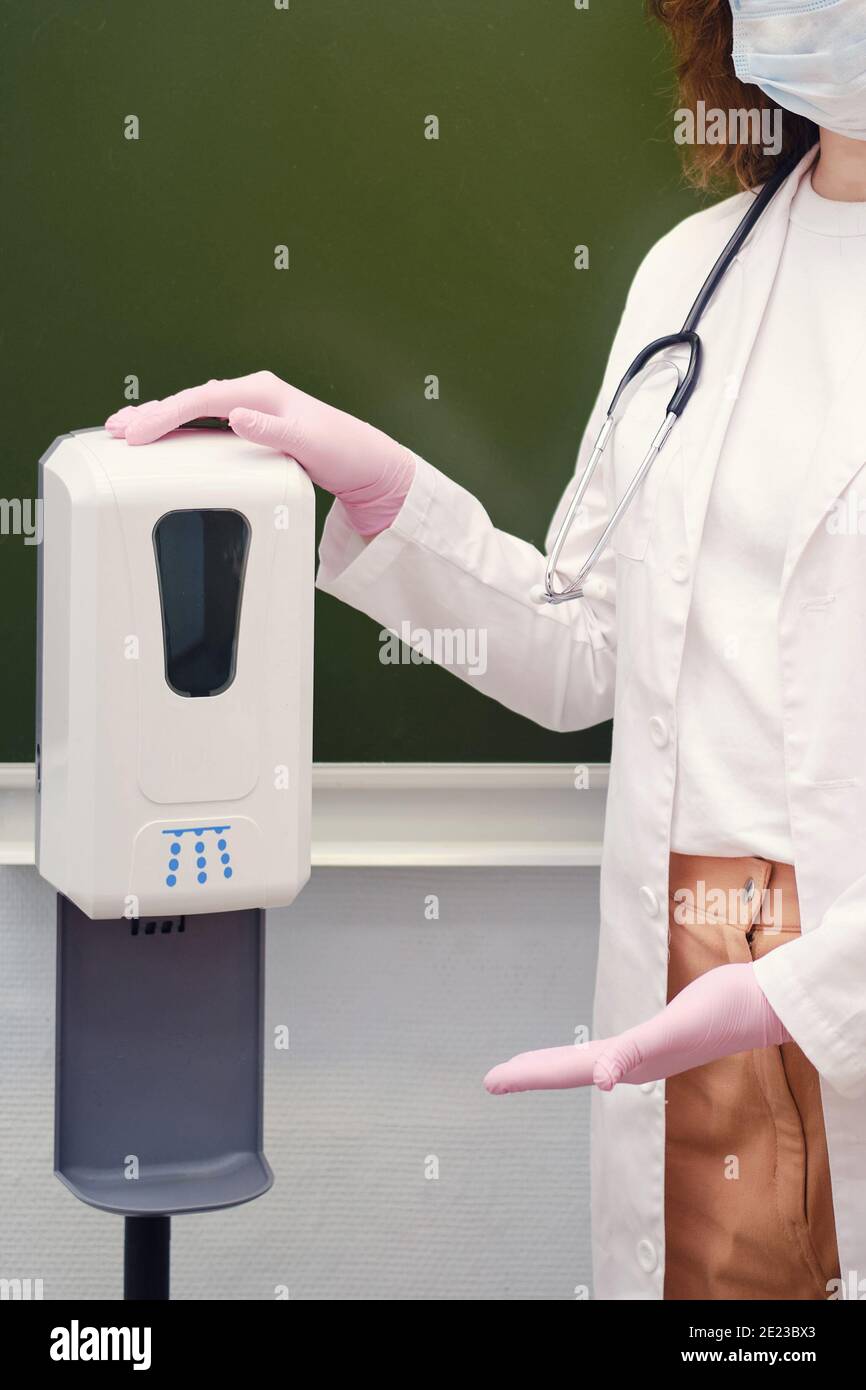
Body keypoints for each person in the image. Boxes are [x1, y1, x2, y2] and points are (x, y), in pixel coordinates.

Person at [106, 1, 866, 1300]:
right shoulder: (695, 276)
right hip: (688, 1000)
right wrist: (390, 502)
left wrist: (801, 992)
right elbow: (587, 648)